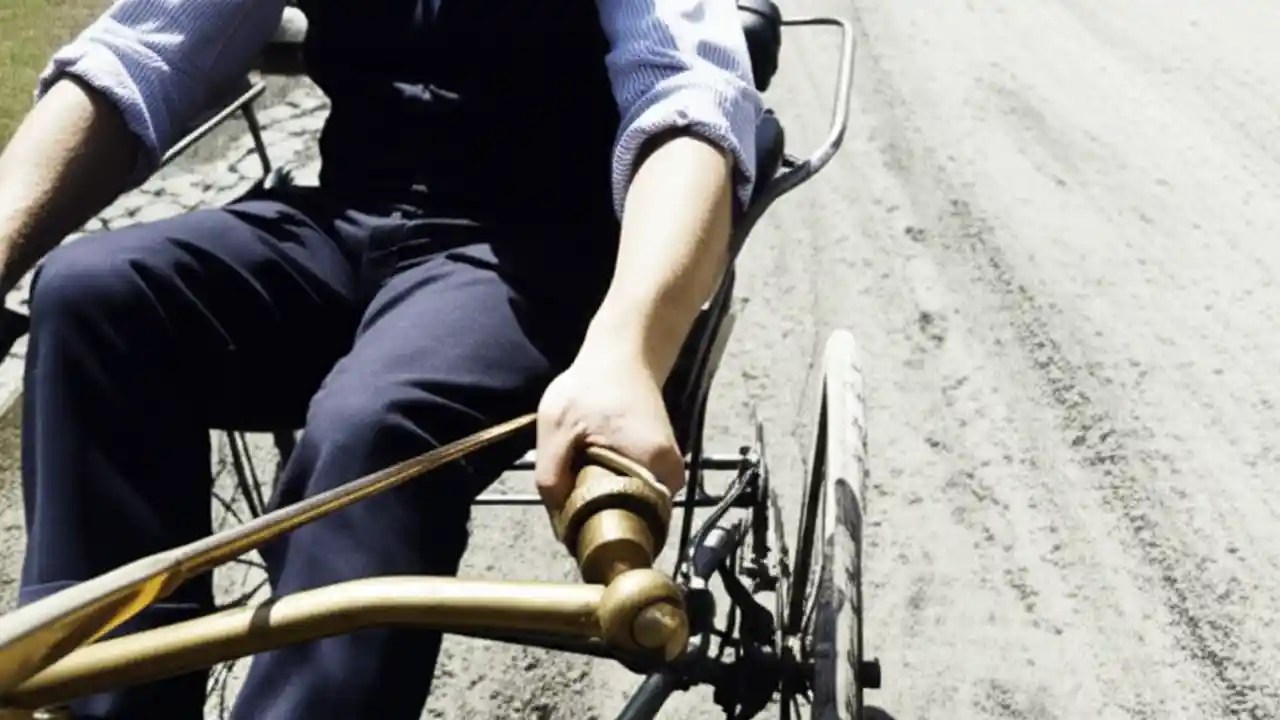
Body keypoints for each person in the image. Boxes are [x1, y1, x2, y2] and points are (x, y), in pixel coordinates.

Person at [0, 0, 762, 717]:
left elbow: (689, 100)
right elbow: (141, 53)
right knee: (94, 294)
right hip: (351, 216)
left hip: (530, 253)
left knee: (372, 428)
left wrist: (628, 349)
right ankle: (104, 699)